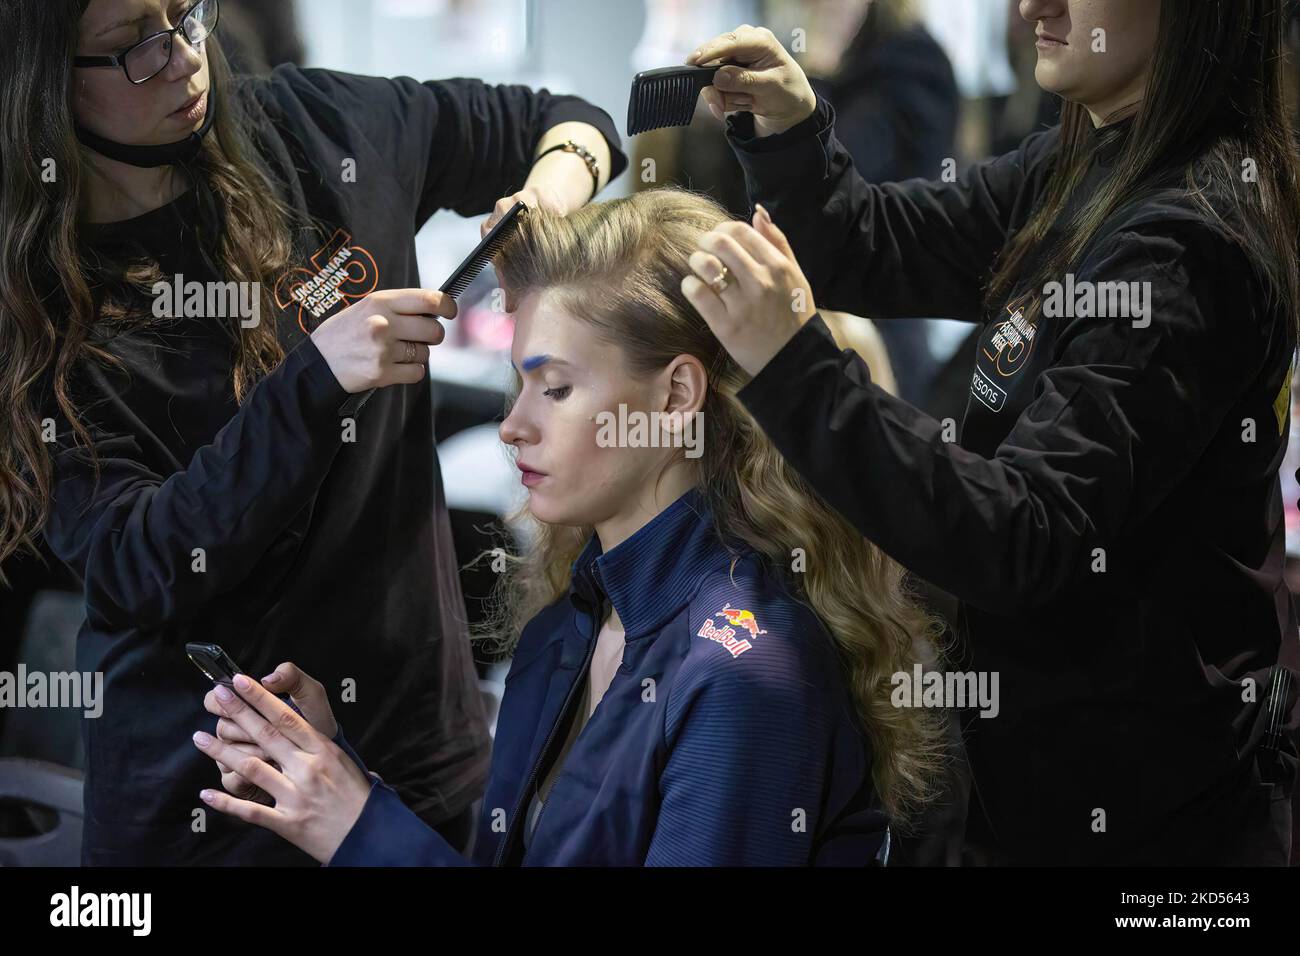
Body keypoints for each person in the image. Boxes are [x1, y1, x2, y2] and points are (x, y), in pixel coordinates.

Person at [0, 0, 626, 865]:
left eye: (186, 15)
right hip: (212, 798)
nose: (182, 57)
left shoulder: (318, 128)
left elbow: (569, 123)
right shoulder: (42, 303)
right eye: (131, 48)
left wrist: (544, 199)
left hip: (418, 756)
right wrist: (314, 382)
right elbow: (142, 566)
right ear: (45, 82)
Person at [681, 1, 1300, 864]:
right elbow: (880, 242)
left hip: (1152, 822)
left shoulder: (1187, 242)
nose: (1029, 6)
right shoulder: (1087, 159)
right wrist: (791, 135)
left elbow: (1022, 533)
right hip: (1038, 780)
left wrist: (795, 364)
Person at [190, 188, 947, 866]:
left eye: (556, 388)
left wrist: (358, 827)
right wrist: (338, 781)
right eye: (521, 384)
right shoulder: (569, 625)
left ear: (676, 393)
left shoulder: (742, 674)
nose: (513, 426)